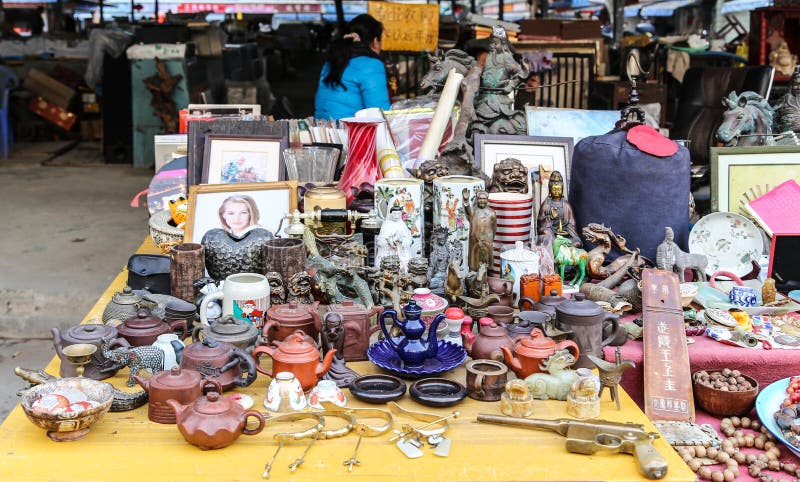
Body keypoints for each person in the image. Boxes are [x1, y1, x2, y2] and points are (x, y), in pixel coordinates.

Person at [314, 14, 390, 120]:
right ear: (375, 41)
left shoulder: (332, 61)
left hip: (322, 130)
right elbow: (380, 115)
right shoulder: (372, 65)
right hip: (350, 132)